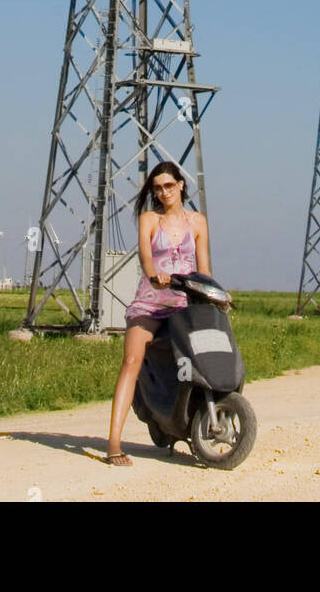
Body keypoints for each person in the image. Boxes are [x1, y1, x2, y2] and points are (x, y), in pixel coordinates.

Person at [104, 160, 210, 465]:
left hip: (183, 305)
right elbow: (146, 258)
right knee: (131, 360)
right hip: (151, 302)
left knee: (198, 363)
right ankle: (113, 443)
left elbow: (203, 269)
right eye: (158, 188)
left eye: (169, 186)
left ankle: (192, 424)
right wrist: (155, 277)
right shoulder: (150, 219)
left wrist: (212, 292)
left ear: (181, 185)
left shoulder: (198, 222)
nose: (164, 192)